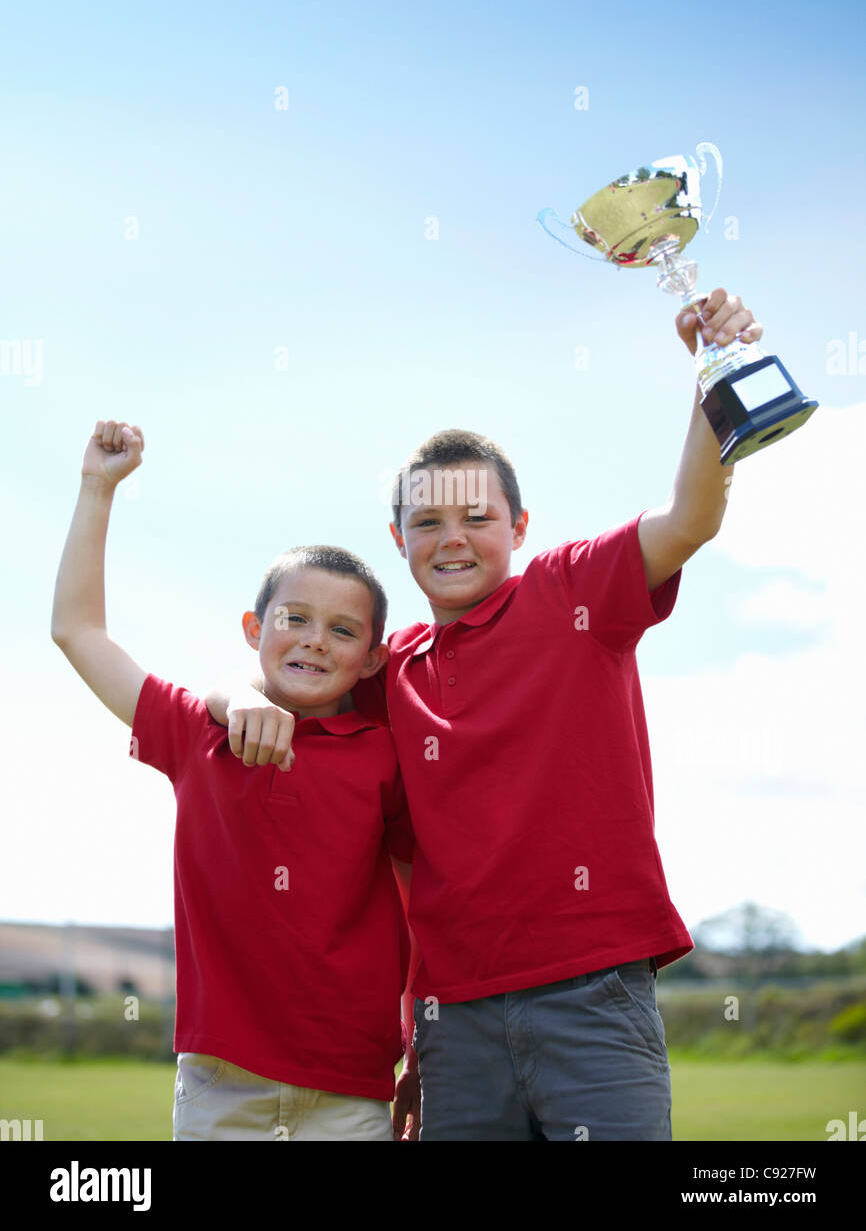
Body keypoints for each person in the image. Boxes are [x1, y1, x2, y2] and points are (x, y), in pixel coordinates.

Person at [208, 290, 763, 1140]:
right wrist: (239, 693)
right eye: (427, 521)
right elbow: (285, 680)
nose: (453, 538)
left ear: (520, 526)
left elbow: (692, 516)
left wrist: (710, 377)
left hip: (593, 992)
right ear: (399, 539)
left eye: (478, 517)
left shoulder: (575, 590)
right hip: (451, 1022)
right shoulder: (387, 675)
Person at [51, 420, 416, 1142]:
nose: (315, 638)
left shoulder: (387, 759)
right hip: (220, 1085)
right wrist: (97, 488)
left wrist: (428, 1048)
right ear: (254, 628)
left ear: (373, 659)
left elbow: (424, 904)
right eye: (295, 618)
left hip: (353, 1088)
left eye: (343, 631)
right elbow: (78, 631)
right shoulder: (197, 734)